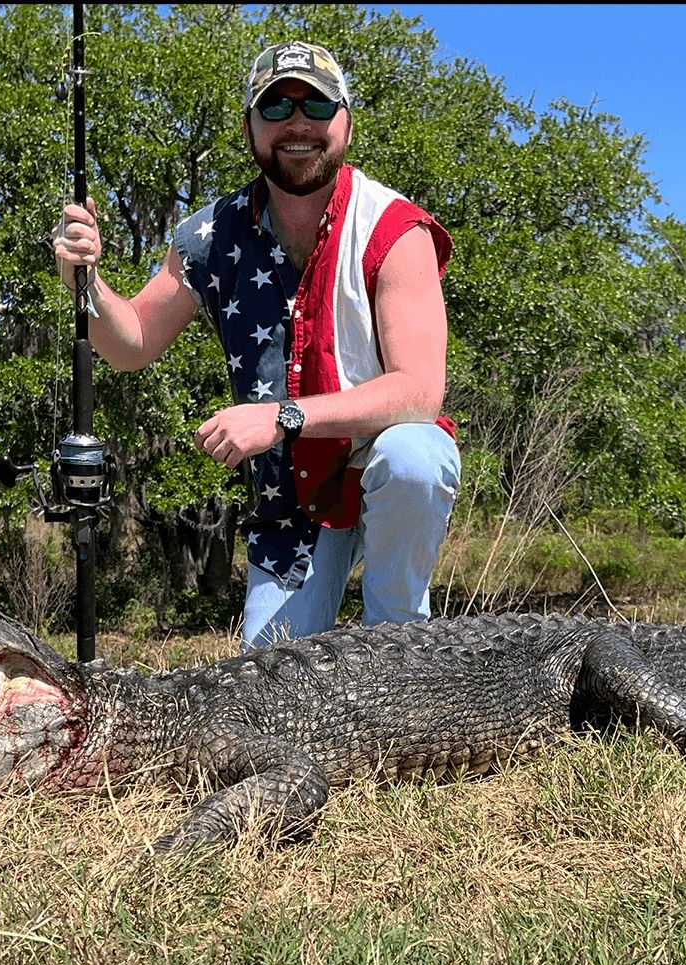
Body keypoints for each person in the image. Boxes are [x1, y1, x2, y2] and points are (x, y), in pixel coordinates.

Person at [52, 40, 459, 650]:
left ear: (346, 122)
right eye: (276, 107)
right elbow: (131, 342)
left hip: (379, 471)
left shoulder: (395, 229)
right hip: (286, 509)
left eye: (316, 105)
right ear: (249, 128)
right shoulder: (210, 233)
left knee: (415, 456)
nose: (297, 124)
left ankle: (398, 646)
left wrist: (279, 418)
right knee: (270, 689)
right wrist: (85, 282)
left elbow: (420, 393)